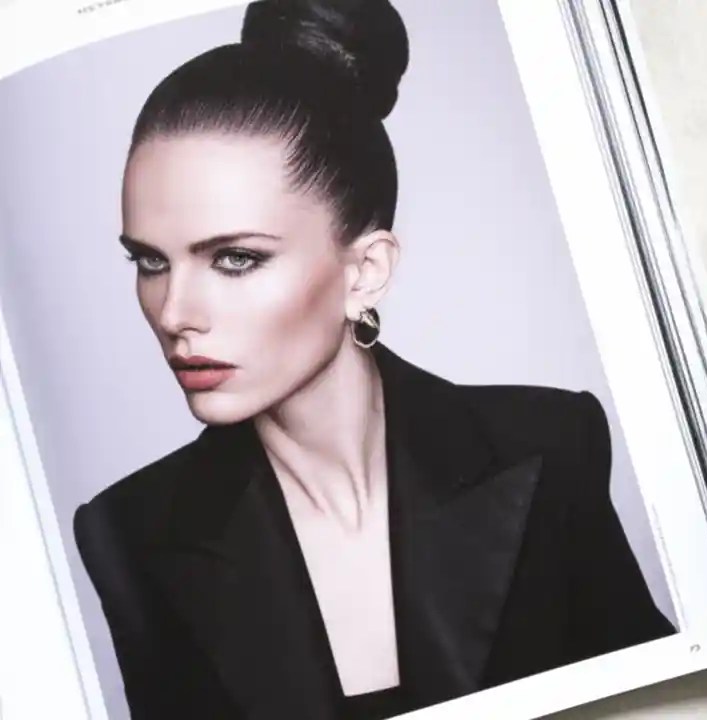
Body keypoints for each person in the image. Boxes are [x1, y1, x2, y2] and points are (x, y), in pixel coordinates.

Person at [71, 1, 675, 718]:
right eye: (150, 262)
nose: (173, 314)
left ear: (364, 272)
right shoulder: (131, 532)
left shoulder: (548, 446)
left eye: (234, 259)